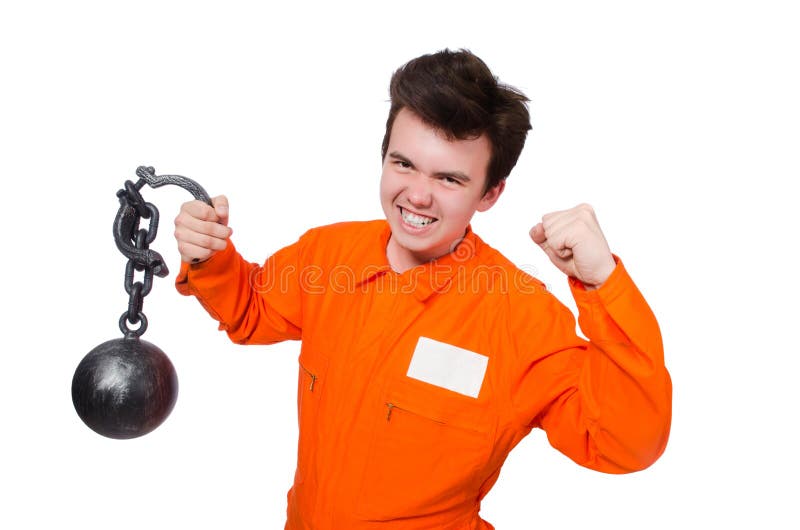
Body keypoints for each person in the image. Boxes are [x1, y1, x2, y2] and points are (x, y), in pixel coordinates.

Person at [173, 49, 672, 530]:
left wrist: (602, 283)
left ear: (490, 193)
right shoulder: (328, 257)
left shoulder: (519, 317)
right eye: (404, 163)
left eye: (449, 178)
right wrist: (209, 253)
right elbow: (252, 310)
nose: (415, 194)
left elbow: (623, 443)